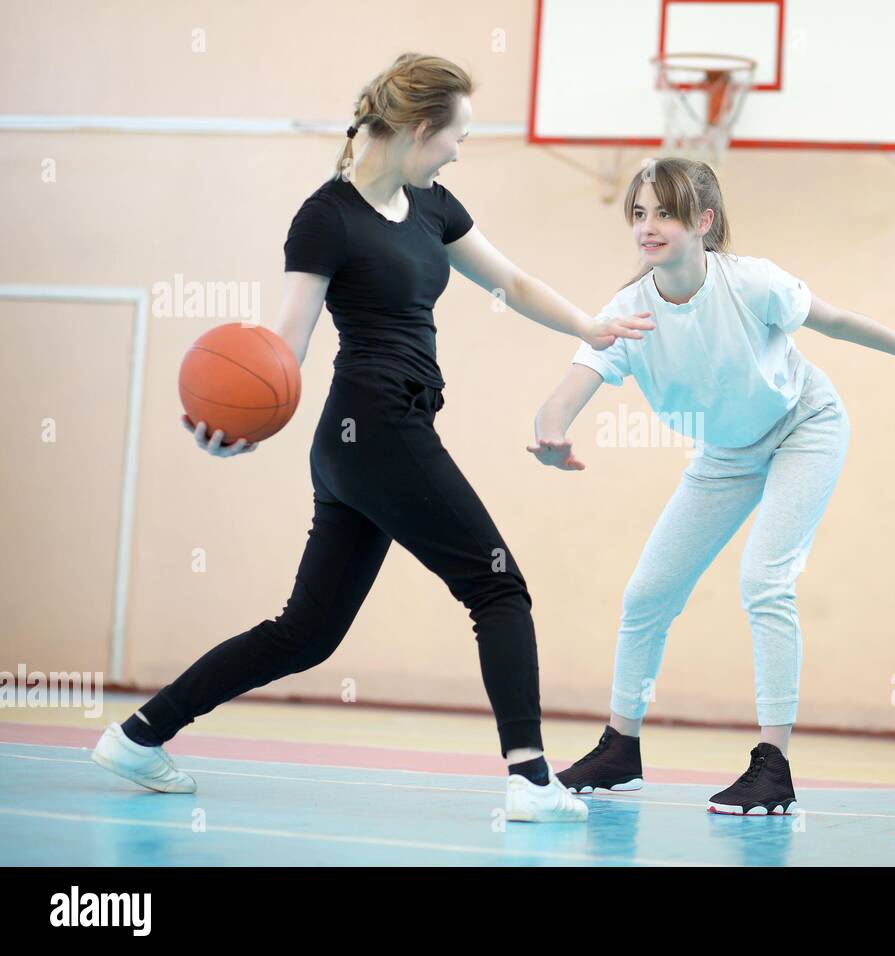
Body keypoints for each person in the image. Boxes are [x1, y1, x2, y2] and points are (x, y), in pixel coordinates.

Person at [91, 52, 653, 824]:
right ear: (421, 129)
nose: (460, 149)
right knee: (497, 587)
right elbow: (284, 349)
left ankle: (139, 734)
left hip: (380, 438)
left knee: (307, 632)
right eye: (457, 134)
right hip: (374, 429)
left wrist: (592, 325)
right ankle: (530, 781)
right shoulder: (327, 216)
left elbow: (512, 283)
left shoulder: (433, 205)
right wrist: (235, 430)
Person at [528, 157, 895, 814]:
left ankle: (774, 765)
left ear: (703, 221)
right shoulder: (628, 314)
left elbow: (833, 319)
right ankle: (620, 749)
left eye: (664, 212)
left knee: (764, 581)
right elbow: (563, 397)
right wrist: (550, 436)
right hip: (725, 454)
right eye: (638, 213)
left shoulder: (752, 283)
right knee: (647, 594)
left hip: (805, 426)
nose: (647, 227)